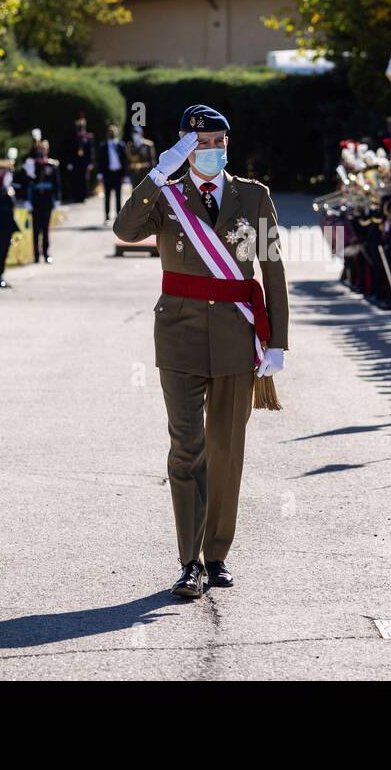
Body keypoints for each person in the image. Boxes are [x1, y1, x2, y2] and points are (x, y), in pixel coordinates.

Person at [113, 104, 289, 598]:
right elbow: (125, 230)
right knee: (186, 449)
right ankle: (187, 560)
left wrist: (277, 342)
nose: (210, 151)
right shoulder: (167, 195)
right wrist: (157, 173)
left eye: (217, 143)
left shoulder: (253, 197)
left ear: (227, 145)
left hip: (237, 337)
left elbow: (272, 268)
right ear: (184, 148)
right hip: (180, 337)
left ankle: (217, 556)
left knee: (226, 450)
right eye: (199, 144)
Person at [24, 138, 60, 263]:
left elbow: (56, 184)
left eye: (44, 150)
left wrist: (57, 199)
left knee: (46, 228)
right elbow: (28, 183)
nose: (42, 153)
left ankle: (45, 252)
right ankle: (35, 255)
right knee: (35, 229)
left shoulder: (51, 165)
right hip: (36, 200)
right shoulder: (33, 165)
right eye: (40, 150)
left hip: (47, 200)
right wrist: (27, 200)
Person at [0, 157, 19, 289]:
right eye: (6, 170)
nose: (9, 173)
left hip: (8, 224)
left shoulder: (9, 186)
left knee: (5, 252)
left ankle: (1, 276)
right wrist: (4, 187)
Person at [98, 124, 129, 224]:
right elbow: (100, 161)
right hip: (107, 174)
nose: (111, 134)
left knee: (118, 196)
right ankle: (107, 217)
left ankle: (118, 216)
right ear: (107, 133)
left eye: (113, 132)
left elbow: (125, 161)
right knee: (107, 196)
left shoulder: (120, 145)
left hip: (118, 174)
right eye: (109, 132)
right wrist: (100, 173)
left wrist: (125, 175)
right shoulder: (103, 146)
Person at [125, 124, 157, 188]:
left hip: (145, 174)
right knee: (135, 194)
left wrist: (141, 165)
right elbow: (127, 161)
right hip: (134, 174)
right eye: (133, 133)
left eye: (136, 133)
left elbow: (152, 161)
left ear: (141, 133)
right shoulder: (130, 146)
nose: (135, 135)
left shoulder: (148, 145)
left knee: (146, 194)